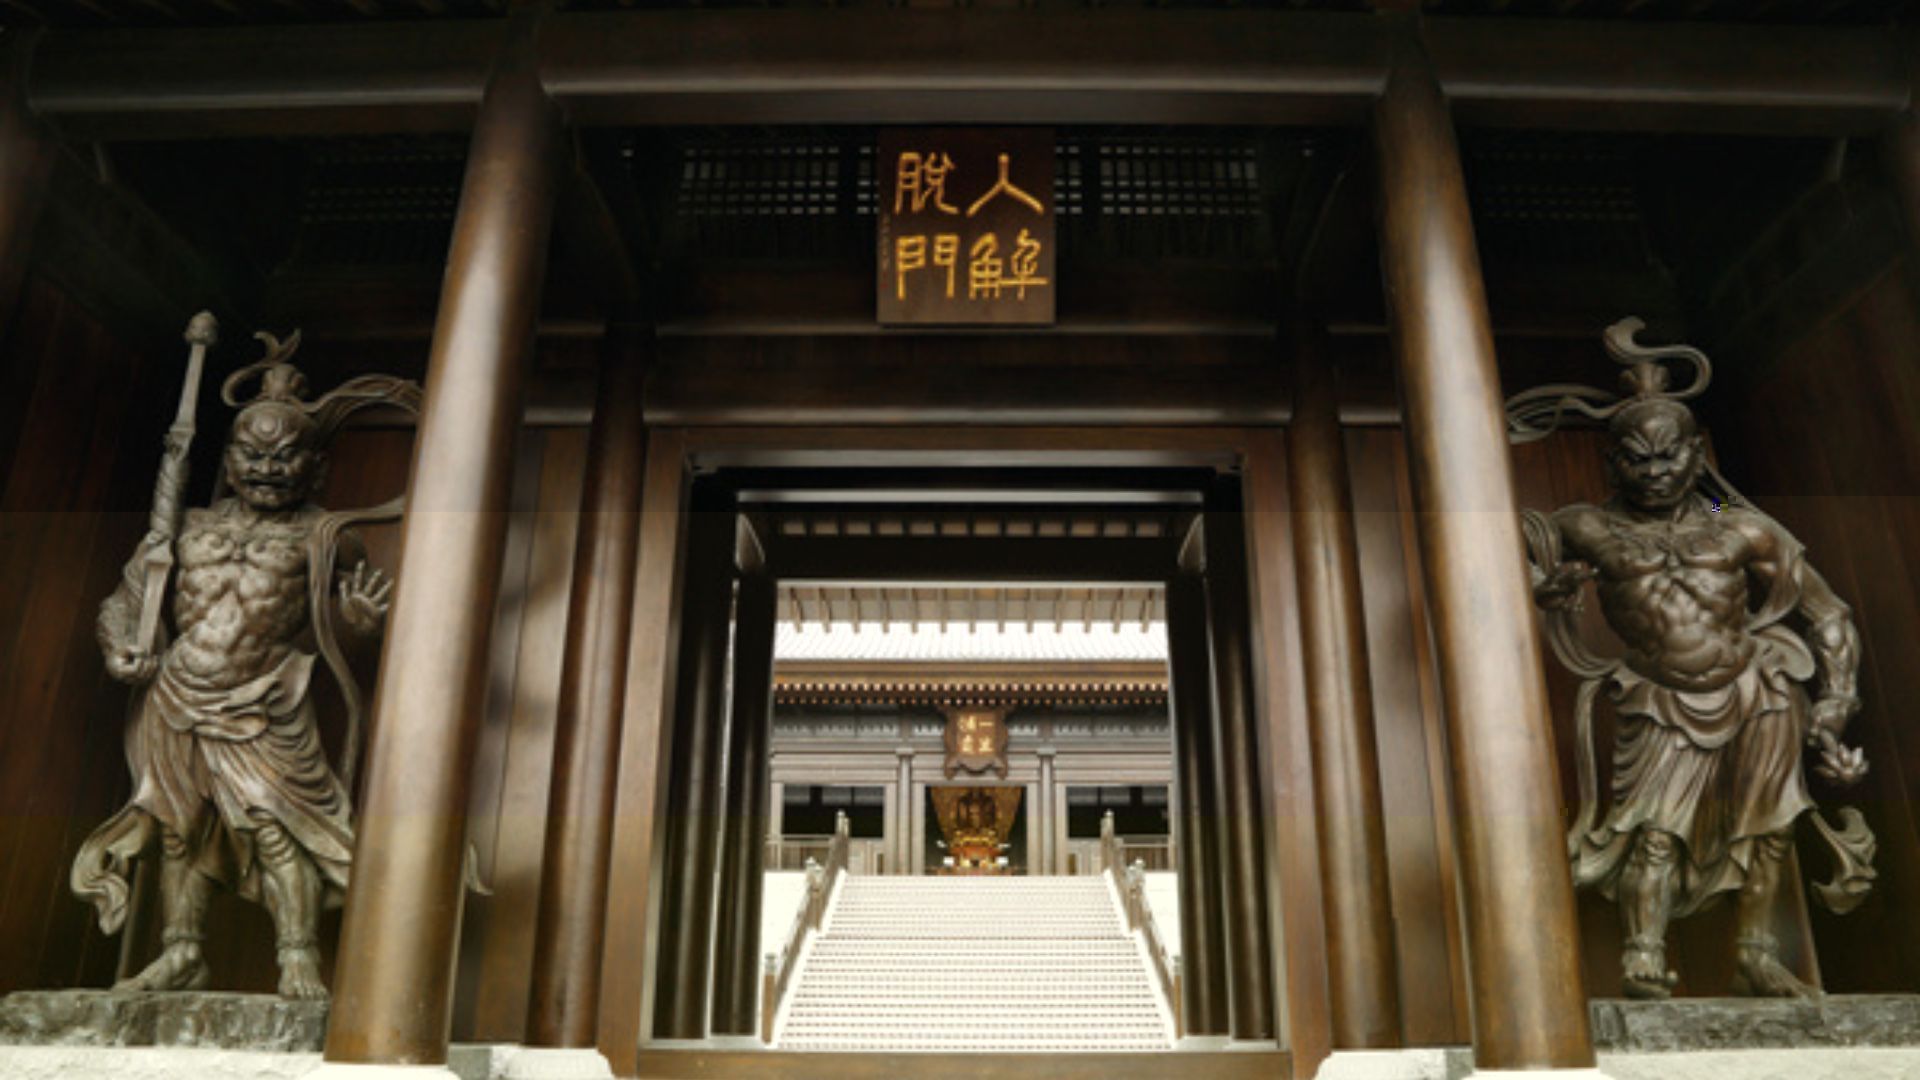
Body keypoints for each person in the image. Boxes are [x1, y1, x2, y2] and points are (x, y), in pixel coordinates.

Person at [1519, 318, 1871, 999]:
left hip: (1759, 686)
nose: (1655, 474)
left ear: (1693, 454)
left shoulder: (1738, 524)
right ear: (1611, 463)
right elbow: (1502, 563)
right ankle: (1643, 955)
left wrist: (1836, 699)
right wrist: (1543, 586)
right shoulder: (1587, 526)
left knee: (1770, 828)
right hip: (1660, 693)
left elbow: (1827, 612)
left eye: (1669, 457)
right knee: (1655, 830)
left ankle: (1756, 955)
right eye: (1637, 460)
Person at [72, 338, 416, 999]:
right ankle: (182, 951)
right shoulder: (185, 527)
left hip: (265, 701)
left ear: (316, 466)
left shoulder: (329, 538)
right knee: (179, 830)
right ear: (228, 460)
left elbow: (374, 623)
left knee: (276, 826)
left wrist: (364, 624)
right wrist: (120, 647)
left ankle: (297, 956)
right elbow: (126, 601)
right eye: (252, 456)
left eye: (284, 456)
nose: (266, 469)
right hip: (176, 692)